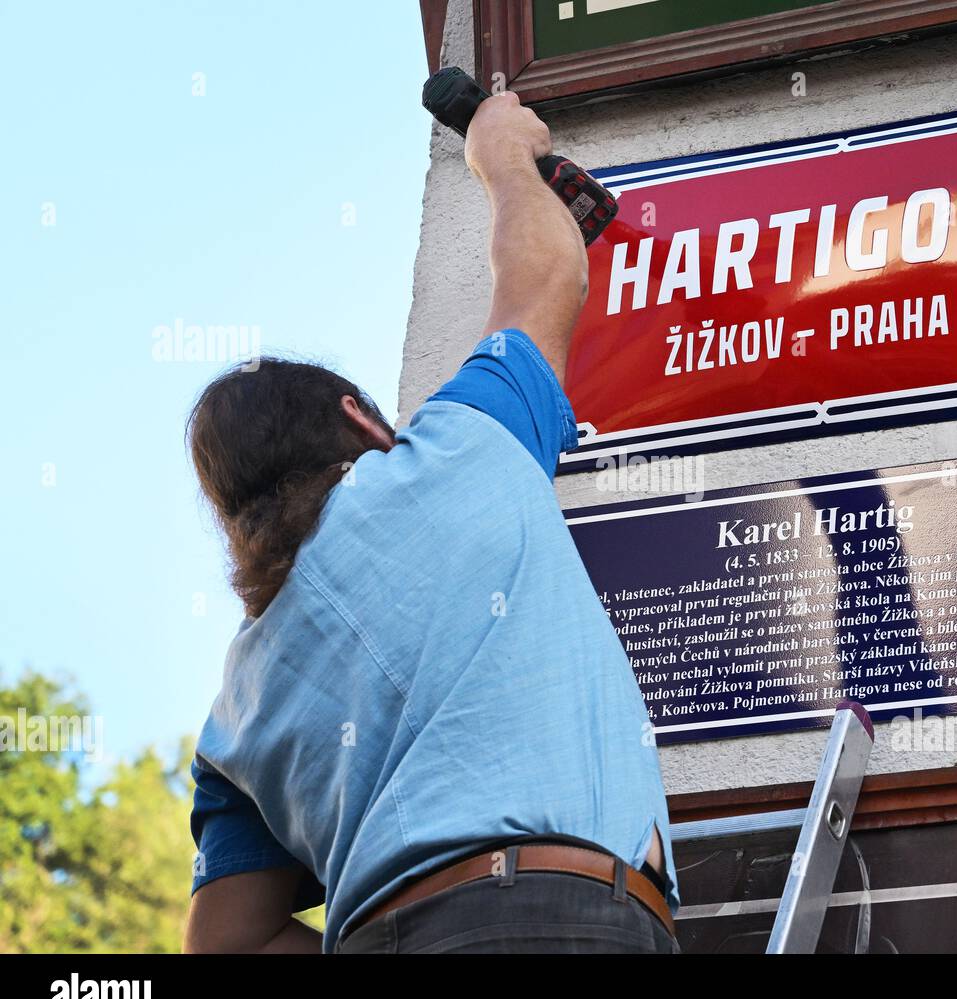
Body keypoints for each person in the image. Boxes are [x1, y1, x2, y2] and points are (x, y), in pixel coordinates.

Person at [182, 91, 678, 954]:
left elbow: (225, 945)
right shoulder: (453, 451)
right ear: (366, 424)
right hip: (566, 921)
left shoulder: (238, 704)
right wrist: (501, 154)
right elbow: (546, 278)